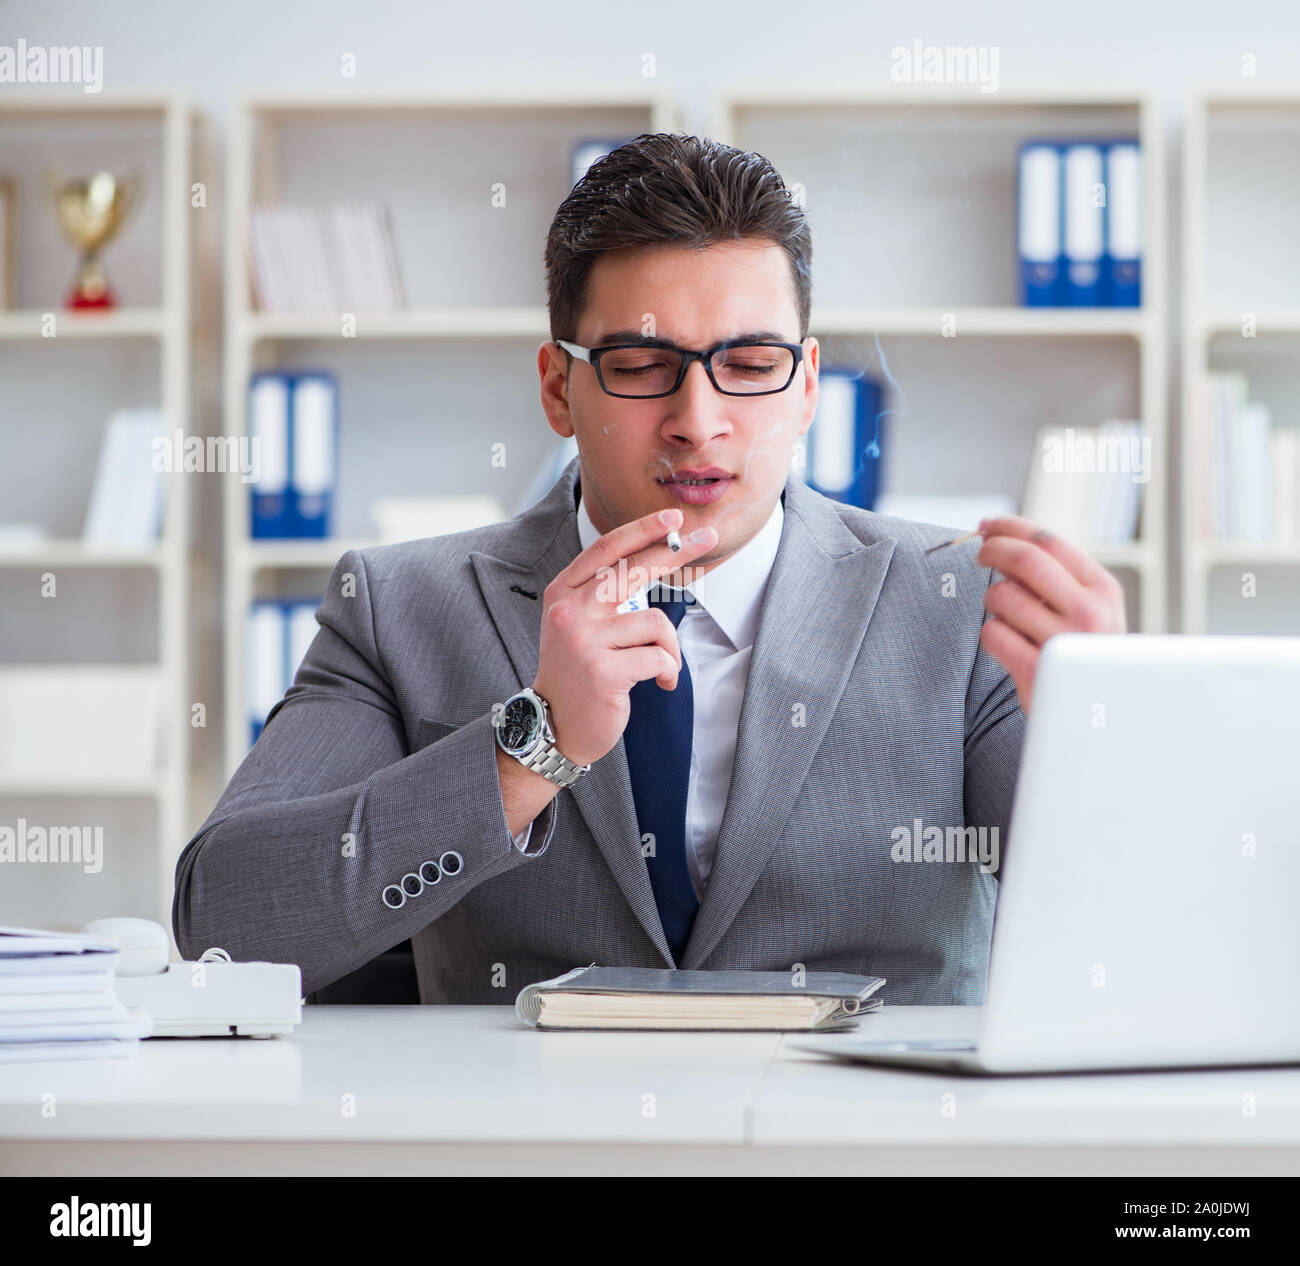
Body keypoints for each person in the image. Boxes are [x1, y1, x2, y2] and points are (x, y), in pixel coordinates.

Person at [173, 133, 1125, 1005]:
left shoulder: (962, 607)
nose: (698, 420)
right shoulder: (402, 609)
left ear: (806, 388)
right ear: (558, 385)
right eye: (638, 362)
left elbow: (1123, 937)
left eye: (751, 363)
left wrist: (1106, 732)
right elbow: (226, 922)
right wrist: (532, 744)